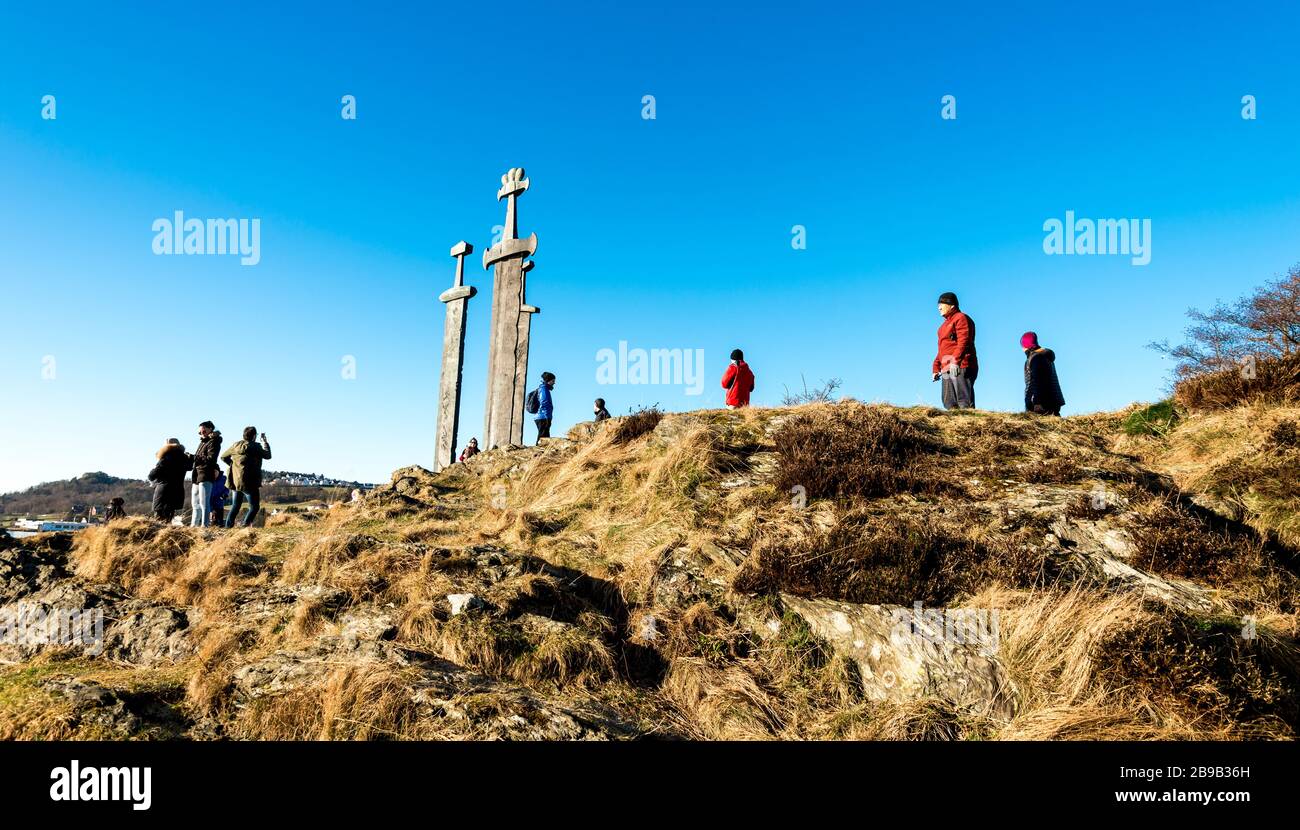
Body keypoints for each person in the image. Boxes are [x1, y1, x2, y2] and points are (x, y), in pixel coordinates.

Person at [931, 292, 978, 409]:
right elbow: (943, 349)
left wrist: (955, 362)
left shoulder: (961, 318)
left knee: (963, 401)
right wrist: (936, 367)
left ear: (952, 305)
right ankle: (956, 426)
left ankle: (968, 425)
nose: (939, 307)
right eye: (938, 305)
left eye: (942, 304)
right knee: (949, 402)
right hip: (946, 368)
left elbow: (964, 341)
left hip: (960, 365)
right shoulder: (942, 327)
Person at [221, 427, 272, 528]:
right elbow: (268, 455)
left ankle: (228, 527)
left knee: (235, 506)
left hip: (236, 482)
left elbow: (223, 457)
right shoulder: (255, 447)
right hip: (250, 482)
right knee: (254, 507)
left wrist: (233, 466)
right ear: (254, 436)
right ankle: (245, 525)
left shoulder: (235, 445)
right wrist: (265, 443)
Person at [1021, 331, 1065, 416]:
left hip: (1041, 404)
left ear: (1025, 345)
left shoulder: (1035, 358)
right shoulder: (1046, 356)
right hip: (1054, 401)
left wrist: (1031, 403)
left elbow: (1035, 381)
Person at [148, 439, 191, 522]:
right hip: (177, 490)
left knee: (159, 519)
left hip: (164, 491)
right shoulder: (185, 458)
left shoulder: (166, 458)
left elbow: (152, 475)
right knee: (169, 518)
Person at [188, 421, 222, 526]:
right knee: (195, 504)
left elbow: (211, 459)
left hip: (205, 474)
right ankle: (194, 526)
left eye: (203, 430)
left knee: (204, 503)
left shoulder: (213, 442)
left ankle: (204, 525)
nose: (201, 433)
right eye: (200, 432)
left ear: (210, 429)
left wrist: (193, 457)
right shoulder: (204, 441)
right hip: (197, 474)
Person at [535, 372, 555, 443]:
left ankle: (541, 451)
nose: (554, 383)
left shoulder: (543, 388)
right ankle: (539, 452)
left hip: (542, 416)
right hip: (543, 416)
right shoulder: (544, 389)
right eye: (553, 381)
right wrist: (546, 416)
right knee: (543, 437)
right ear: (548, 381)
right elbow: (544, 402)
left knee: (544, 436)